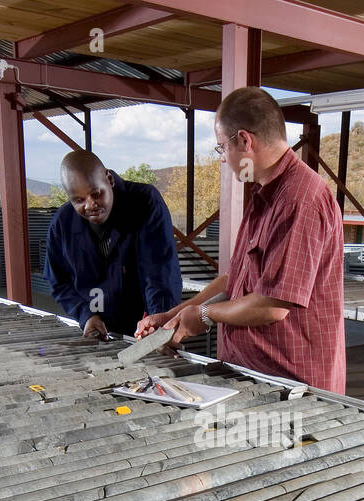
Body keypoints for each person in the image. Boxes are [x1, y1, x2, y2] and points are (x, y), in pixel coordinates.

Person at [136, 86, 345, 393]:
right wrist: (176, 314)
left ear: (245, 140)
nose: (222, 159)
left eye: (222, 148)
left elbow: (272, 306)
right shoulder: (265, 195)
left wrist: (204, 315)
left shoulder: (300, 199)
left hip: (292, 384)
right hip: (253, 373)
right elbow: (237, 281)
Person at [45, 150, 182, 339]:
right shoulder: (63, 223)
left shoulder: (144, 203)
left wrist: (159, 325)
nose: (90, 205)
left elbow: (159, 274)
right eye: (79, 200)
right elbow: (58, 281)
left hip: (143, 327)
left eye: (96, 194)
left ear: (109, 179)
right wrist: (86, 315)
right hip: (98, 328)